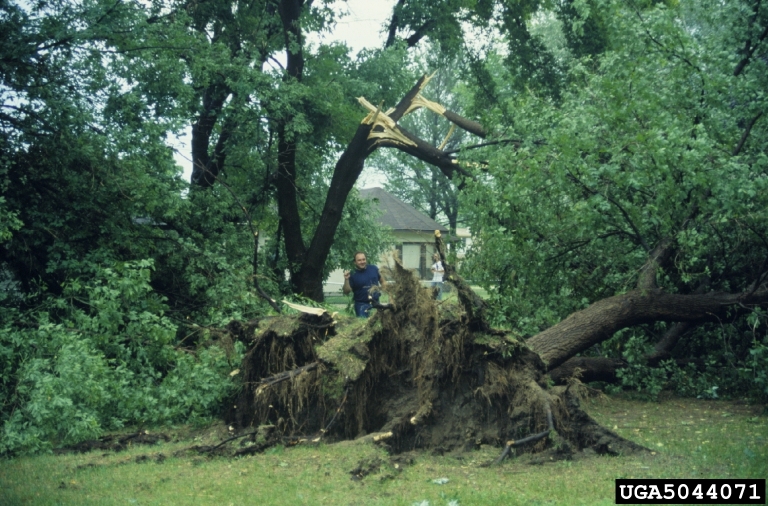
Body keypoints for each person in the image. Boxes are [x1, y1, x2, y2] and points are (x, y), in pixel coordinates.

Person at [343, 251, 386, 318]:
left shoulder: (374, 269)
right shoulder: (352, 274)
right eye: (359, 260)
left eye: (363, 259)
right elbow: (346, 292)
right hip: (361, 305)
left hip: (376, 303)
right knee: (363, 326)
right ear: (355, 262)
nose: (362, 262)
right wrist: (346, 279)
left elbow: (383, 281)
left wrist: (386, 290)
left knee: (377, 325)